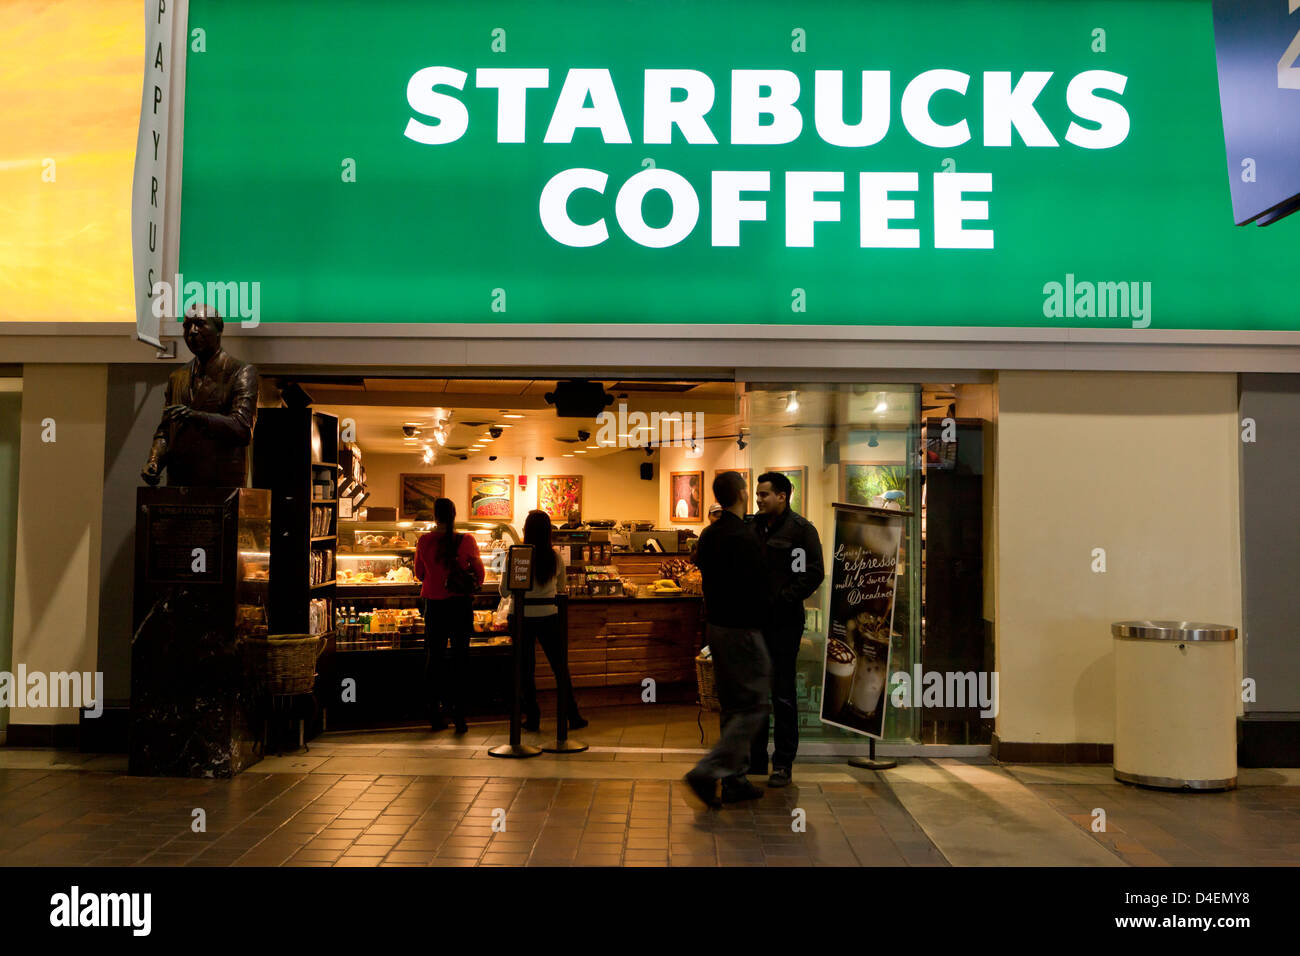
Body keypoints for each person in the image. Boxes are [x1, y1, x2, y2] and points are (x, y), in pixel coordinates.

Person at [683, 472, 771, 809]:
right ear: (742, 493)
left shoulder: (708, 535)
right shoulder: (745, 538)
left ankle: (735, 779)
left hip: (716, 628)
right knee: (755, 703)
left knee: (733, 705)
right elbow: (758, 589)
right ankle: (710, 770)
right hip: (743, 630)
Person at [749, 471, 825, 787]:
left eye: (765, 494)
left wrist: (783, 599)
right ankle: (754, 760)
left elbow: (814, 573)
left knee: (782, 693)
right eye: (757, 494)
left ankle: (783, 764)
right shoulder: (750, 527)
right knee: (755, 692)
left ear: (782, 495)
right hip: (753, 623)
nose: (759, 499)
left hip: (784, 623)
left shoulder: (801, 530)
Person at [141, 303, 258, 487]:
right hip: (179, 485)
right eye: (187, 326)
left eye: (200, 324)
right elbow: (165, 430)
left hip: (220, 486)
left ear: (219, 329)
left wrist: (196, 417)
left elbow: (242, 428)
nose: (192, 331)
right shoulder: (177, 377)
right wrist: (155, 460)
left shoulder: (240, 372)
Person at [503, 510, 587, 731]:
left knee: (525, 670)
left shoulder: (516, 555)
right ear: (549, 532)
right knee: (560, 667)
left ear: (526, 531)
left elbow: (504, 591)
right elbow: (561, 590)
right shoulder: (555, 557)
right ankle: (572, 715)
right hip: (549, 617)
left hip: (521, 617)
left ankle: (532, 717)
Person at [414, 497, 484, 734]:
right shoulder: (466, 540)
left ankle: (434, 713)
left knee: (434, 658)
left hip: (434, 605)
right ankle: (459, 716)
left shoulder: (424, 541)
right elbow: (480, 573)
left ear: (435, 516)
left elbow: (419, 573)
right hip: (460, 605)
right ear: (454, 515)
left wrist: (436, 580)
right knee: (460, 658)